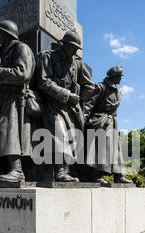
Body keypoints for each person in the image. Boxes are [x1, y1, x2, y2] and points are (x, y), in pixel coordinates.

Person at [36, 30, 95, 182]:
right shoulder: (47, 57)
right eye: (73, 47)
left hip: (72, 109)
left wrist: (80, 98)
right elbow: (44, 81)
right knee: (59, 134)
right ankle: (60, 171)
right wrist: (67, 95)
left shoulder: (77, 64)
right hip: (53, 104)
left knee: (72, 139)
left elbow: (90, 86)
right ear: (65, 45)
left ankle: (68, 171)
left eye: (77, 48)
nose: (75, 51)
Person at [0, 20, 36, 183]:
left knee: (10, 131)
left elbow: (23, 74)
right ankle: (8, 167)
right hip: (2, 98)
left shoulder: (21, 48)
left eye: (0, 33)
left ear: (6, 34)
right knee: (2, 133)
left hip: (15, 98)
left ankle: (17, 170)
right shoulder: (2, 52)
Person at [84, 66, 132, 184]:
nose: (121, 79)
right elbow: (89, 104)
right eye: (120, 77)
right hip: (100, 121)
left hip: (112, 122)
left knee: (115, 149)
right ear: (114, 76)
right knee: (101, 148)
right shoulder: (100, 87)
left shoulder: (118, 91)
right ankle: (96, 175)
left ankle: (118, 175)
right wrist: (84, 118)